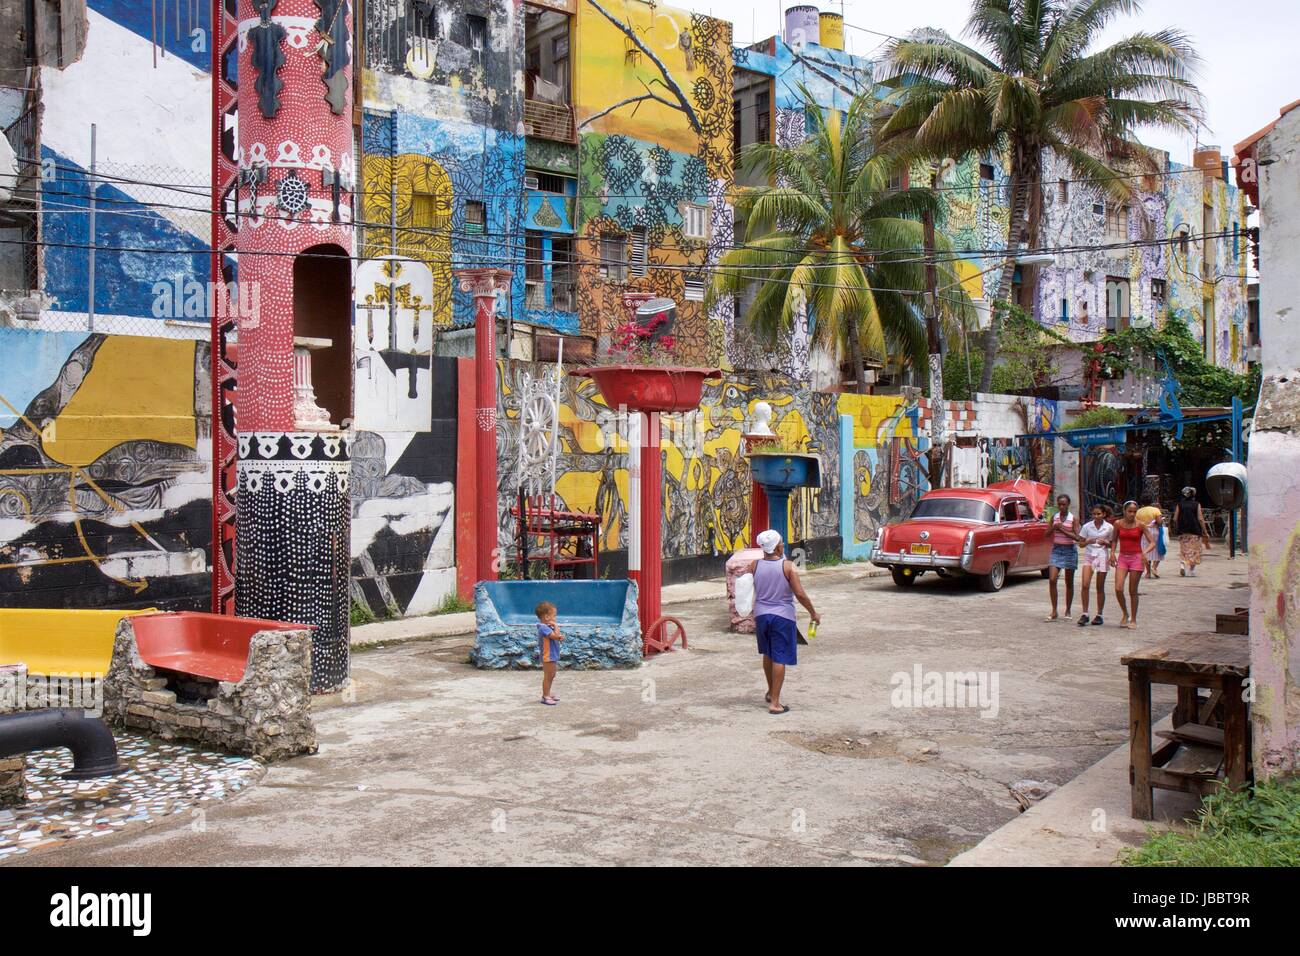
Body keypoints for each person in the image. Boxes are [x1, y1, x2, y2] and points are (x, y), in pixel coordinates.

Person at [749, 529, 820, 715]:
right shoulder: (787, 567)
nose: (783, 544)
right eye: (781, 542)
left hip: (761, 616)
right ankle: (775, 703)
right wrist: (813, 613)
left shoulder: (754, 565)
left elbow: (747, 586)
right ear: (777, 547)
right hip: (782, 616)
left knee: (768, 654)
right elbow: (800, 594)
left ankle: (771, 691)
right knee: (779, 657)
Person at [1110, 500, 1155, 629]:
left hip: (1136, 557)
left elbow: (1152, 542)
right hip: (1123, 557)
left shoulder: (1140, 525)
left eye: (1134, 512)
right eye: (1129, 511)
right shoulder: (1118, 524)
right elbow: (1114, 540)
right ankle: (1125, 613)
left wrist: (1145, 552)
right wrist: (1112, 553)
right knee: (1118, 588)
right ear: (1124, 511)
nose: (1132, 514)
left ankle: (1133, 619)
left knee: (1132, 590)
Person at [1046, 494, 1082, 622]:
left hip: (1069, 551)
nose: (1061, 507)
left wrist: (1062, 529)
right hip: (1056, 550)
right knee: (1052, 579)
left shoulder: (1073, 519)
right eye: (1059, 504)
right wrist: (1053, 528)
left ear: (1068, 504)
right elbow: (1046, 534)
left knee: (1069, 582)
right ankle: (1054, 610)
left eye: (1064, 504)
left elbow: (1077, 537)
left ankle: (1068, 609)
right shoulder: (1054, 517)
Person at [1077, 505, 1115, 626]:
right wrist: (1088, 541)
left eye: (1098, 514)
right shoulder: (1087, 526)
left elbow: (1113, 544)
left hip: (1102, 556)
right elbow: (1081, 544)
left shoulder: (1109, 527)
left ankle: (1099, 614)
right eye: (1094, 514)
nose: (1096, 516)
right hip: (1089, 556)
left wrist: (1106, 543)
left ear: (1104, 514)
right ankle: (1085, 613)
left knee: (1100, 586)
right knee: (1085, 584)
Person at [1173, 486, 1210, 577]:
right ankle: (1192, 570)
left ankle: (1182, 564)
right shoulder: (1197, 504)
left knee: (1184, 549)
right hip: (1195, 530)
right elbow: (1200, 518)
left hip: (1183, 531)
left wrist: (1178, 527)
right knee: (1194, 550)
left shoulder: (1179, 504)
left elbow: (1174, 518)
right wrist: (1205, 531)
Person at [535, 601, 563, 705]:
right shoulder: (543, 628)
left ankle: (548, 693)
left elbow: (555, 637)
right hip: (548, 655)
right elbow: (554, 636)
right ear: (547, 617)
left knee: (552, 675)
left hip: (552, 654)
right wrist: (556, 627)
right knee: (548, 675)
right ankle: (545, 696)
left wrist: (559, 636)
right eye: (554, 615)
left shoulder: (547, 627)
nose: (555, 618)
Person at [1135, 499, 1163, 579]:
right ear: (1151, 501)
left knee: (1145, 551)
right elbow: (1160, 522)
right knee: (1158, 550)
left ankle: (1148, 572)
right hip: (1154, 530)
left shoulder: (1138, 511)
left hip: (1143, 531)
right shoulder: (1156, 510)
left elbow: (1136, 522)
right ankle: (1154, 567)